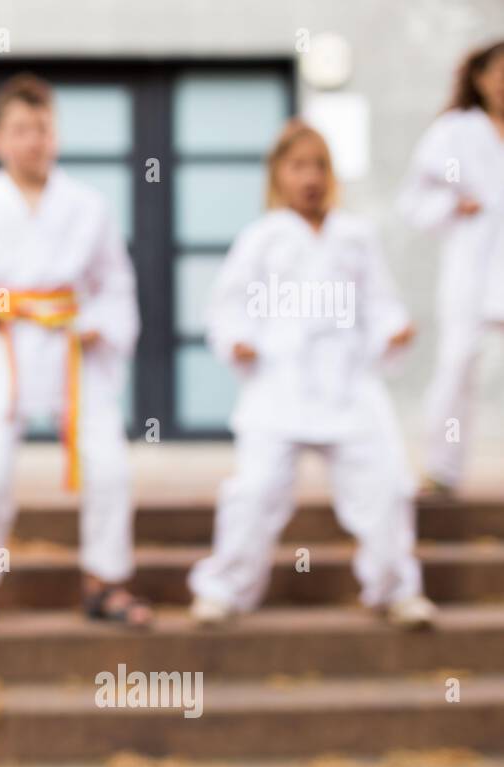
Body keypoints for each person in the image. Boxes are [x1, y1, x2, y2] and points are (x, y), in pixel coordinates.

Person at [0, 72, 152, 633]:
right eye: (21, 130)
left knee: (108, 463)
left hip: (73, 344)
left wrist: (101, 323)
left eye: (43, 129)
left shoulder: (88, 206)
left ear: (56, 136)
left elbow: (115, 283)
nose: (34, 141)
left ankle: (104, 581)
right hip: (4, 343)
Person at [187, 120, 436, 629]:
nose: (310, 177)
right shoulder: (262, 238)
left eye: (319, 165)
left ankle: (394, 588)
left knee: (386, 487)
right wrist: (239, 340)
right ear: (278, 174)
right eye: (298, 165)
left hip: (349, 386)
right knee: (254, 491)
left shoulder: (355, 236)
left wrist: (394, 329)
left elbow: (380, 301)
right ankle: (225, 588)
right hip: (278, 386)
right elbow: (228, 307)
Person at [397, 39, 504, 497]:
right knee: (459, 363)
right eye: (499, 71)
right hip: (474, 264)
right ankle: (442, 469)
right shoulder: (455, 132)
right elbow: (413, 200)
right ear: (479, 77)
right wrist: (454, 206)